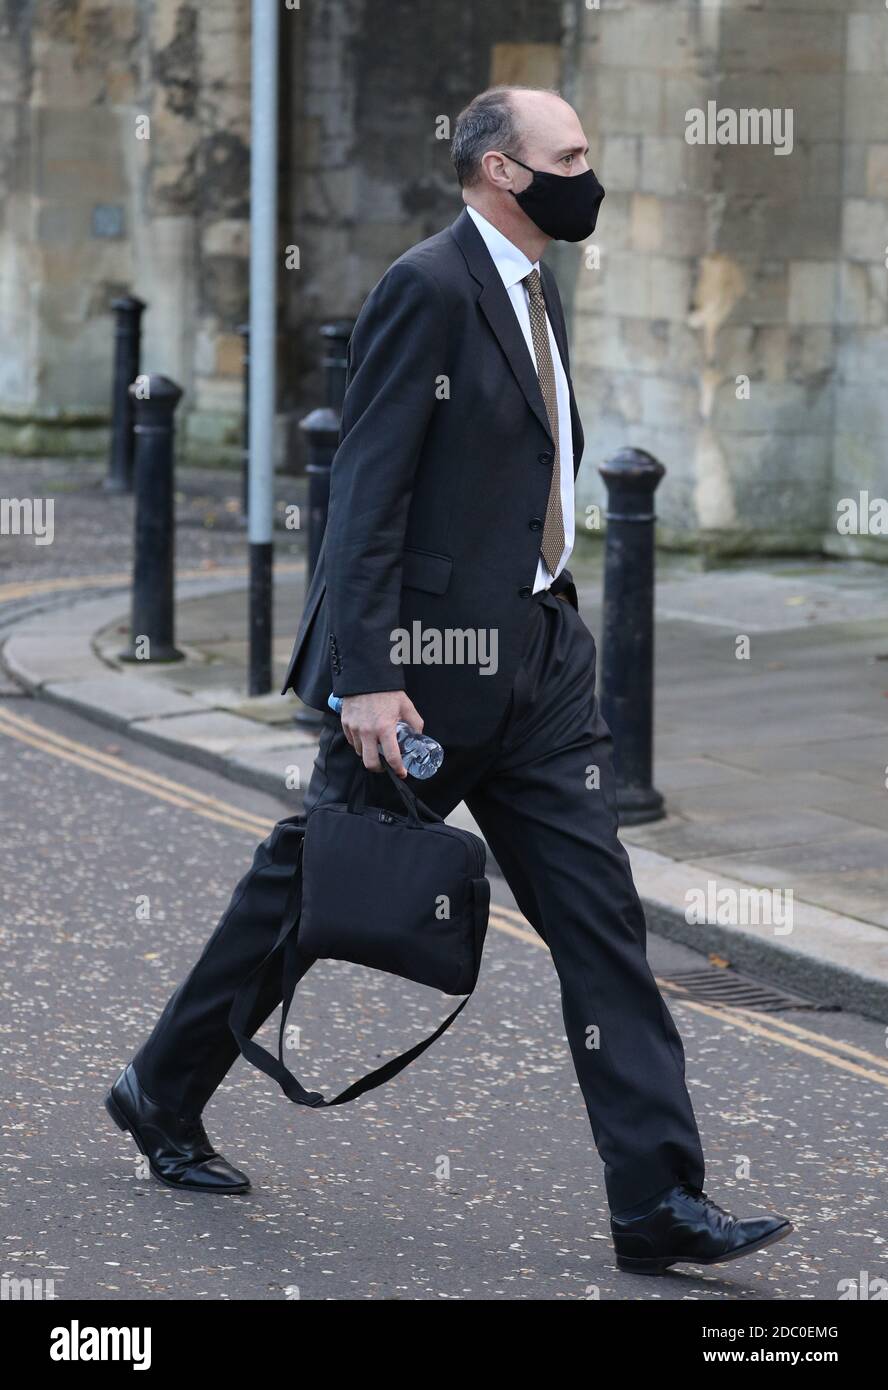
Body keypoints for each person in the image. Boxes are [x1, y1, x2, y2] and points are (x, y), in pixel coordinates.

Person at [107, 85, 791, 1275]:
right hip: (420, 679)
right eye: (569, 154)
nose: (591, 172)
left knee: (604, 931)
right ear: (500, 173)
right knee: (311, 895)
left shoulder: (533, 284)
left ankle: (657, 1201)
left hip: (539, 666)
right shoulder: (428, 286)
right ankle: (160, 1088)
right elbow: (363, 491)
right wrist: (364, 675)